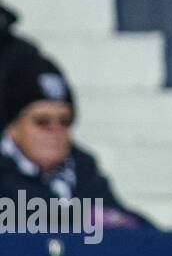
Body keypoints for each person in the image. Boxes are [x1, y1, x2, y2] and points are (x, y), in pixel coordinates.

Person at [0, 53, 152, 230]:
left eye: (65, 121)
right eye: (42, 122)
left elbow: (130, 223)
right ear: (12, 127)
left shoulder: (82, 170)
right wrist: (82, 217)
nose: (55, 131)